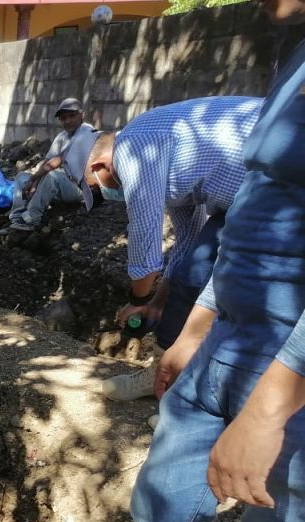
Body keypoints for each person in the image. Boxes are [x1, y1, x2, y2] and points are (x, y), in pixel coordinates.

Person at [60, 1, 305, 522]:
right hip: (231, 332)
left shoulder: (141, 148)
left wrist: (268, 411)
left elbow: (148, 239)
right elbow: (252, 220)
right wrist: (193, 329)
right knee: (165, 489)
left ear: (98, 165)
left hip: (290, 360)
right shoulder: (295, 55)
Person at [83, 96, 262, 402]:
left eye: (96, 190)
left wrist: (137, 300)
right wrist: (157, 302)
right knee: (194, 271)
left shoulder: (133, 149)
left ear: (99, 166)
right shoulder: (167, 162)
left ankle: (169, 383)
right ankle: (174, 379)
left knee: (204, 280)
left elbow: (145, 232)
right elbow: (189, 238)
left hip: (273, 189)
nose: (106, 196)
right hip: (250, 193)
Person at [0, 98, 97, 234]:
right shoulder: (62, 136)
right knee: (21, 177)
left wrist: (34, 179)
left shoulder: (87, 132)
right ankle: (17, 219)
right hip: (60, 185)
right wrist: (34, 183)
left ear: (81, 115)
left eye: (72, 116)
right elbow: (47, 162)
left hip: (80, 188)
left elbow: (57, 161)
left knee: (52, 175)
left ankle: (32, 219)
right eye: (64, 118)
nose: (68, 121)